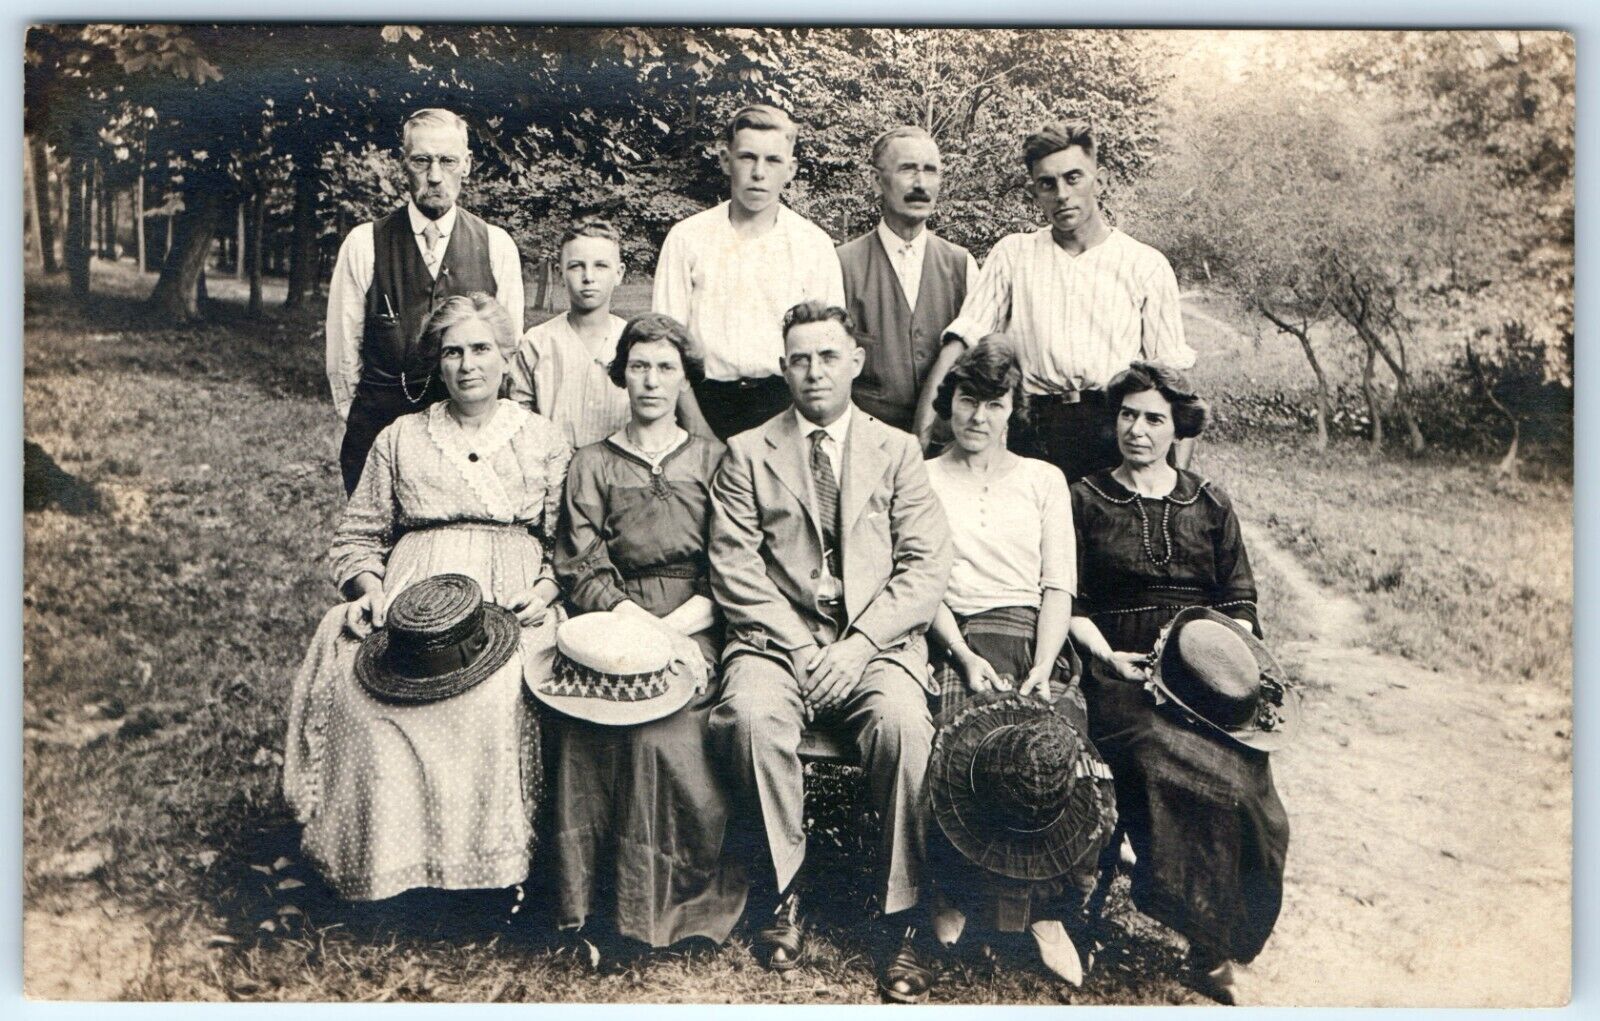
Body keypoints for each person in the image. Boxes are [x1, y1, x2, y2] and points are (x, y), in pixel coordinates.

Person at [283, 292, 569, 902]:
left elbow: (565, 545)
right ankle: (388, 862)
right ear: (437, 364)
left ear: (507, 356)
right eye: (453, 352)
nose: (468, 366)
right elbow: (358, 535)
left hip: (507, 600)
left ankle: (491, 875)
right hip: (411, 603)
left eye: (482, 350)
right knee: (367, 696)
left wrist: (545, 590)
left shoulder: (543, 440)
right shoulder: (401, 437)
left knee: (496, 695)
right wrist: (370, 589)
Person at [707, 300, 952, 1003]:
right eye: (800, 358)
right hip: (775, 643)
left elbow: (924, 566)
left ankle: (903, 915)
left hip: (875, 645)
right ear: (784, 367)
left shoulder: (897, 450)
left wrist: (861, 644)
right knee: (750, 718)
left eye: (827, 356)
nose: (813, 371)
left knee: (905, 727)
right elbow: (734, 569)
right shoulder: (747, 451)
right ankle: (786, 889)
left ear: (855, 362)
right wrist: (799, 646)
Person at [1067, 361, 1288, 1004]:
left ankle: (1217, 936)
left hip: (1204, 682)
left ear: (1176, 428)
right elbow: (1068, 602)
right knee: (1169, 762)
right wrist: (1106, 656)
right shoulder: (1085, 499)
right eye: (1128, 415)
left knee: (1247, 789)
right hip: (1120, 675)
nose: (1138, 429)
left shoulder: (1210, 501)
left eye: (1154, 418)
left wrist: (1222, 658)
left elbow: (1241, 600)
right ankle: (1203, 935)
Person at [547, 313, 748, 957]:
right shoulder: (592, 463)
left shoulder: (718, 461)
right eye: (639, 366)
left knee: (663, 732)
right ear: (621, 375)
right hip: (611, 627)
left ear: (684, 376)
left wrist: (672, 633)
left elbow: (733, 567)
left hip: (696, 626)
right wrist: (635, 631)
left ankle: (666, 907)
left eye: (665, 368)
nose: (651, 381)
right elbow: (581, 566)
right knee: (587, 728)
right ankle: (585, 909)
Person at [922, 337, 1116, 983]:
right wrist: (965, 655)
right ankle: (955, 893)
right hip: (954, 632)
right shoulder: (923, 477)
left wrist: (1045, 662)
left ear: (1013, 409)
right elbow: (921, 583)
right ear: (949, 402)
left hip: (1035, 635)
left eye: (993, 403)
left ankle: (1048, 911)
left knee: (1053, 743)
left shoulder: (1042, 479)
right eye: (966, 400)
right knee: (963, 737)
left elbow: (1056, 584)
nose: (977, 417)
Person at [920, 122, 1195, 481]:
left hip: (1114, 432)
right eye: (1047, 184)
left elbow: (1175, 383)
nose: (1062, 194)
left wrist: (1176, 490)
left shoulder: (1145, 264)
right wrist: (918, 442)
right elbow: (963, 341)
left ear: (1101, 180)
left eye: (1073, 178)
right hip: (1035, 432)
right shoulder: (1014, 254)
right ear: (1034, 191)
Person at [325, 108, 525, 495]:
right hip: (379, 437)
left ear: (466, 165)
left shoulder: (496, 246)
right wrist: (366, 426)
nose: (435, 175)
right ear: (405, 164)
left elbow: (508, 354)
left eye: (447, 161)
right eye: (422, 160)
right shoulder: (364, 244)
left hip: (471, 442)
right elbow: (342, 361)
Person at [653, 104, 846, 440]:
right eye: (747, 157)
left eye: (773, 161)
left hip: (786, 407)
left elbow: (828, 347)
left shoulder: (813, 244)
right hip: (704, 405)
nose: (759, 172)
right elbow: (666, 343)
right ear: (726, 161)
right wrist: (697, 430)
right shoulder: (687, 237)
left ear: (791, 169)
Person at [835, 125, 979, 434]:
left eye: (930, 171)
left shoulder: (961, 264)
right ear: (876, 181)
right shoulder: (840, 265)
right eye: (907, 170)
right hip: (868, 446)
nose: (920, 183)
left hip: (944, 448)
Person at [505, 219, 631, 450]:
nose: (588, 277)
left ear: (619, 273)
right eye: (576, 266)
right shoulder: (537, 343)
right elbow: (518, 422)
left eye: (601, 265)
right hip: (551, 471)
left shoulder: (632, 342)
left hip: (620, 473)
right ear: (560, 272)